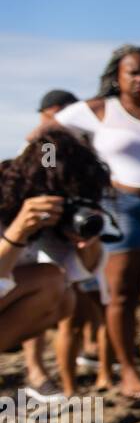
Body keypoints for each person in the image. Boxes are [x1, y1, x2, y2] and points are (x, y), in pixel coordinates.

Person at [36, 46, 140, 397]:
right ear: (118, 76)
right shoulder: (98, 109)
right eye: (135, 72)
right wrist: (72, 174)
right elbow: (40, 136)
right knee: (122, 293)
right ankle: (127, 371)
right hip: (120, 204)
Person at [0, 131, 114, 398]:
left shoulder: (51, 216)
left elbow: (79, 274)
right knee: (50, 282)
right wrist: (17, 232)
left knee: (61, 294)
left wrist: (87, 240)